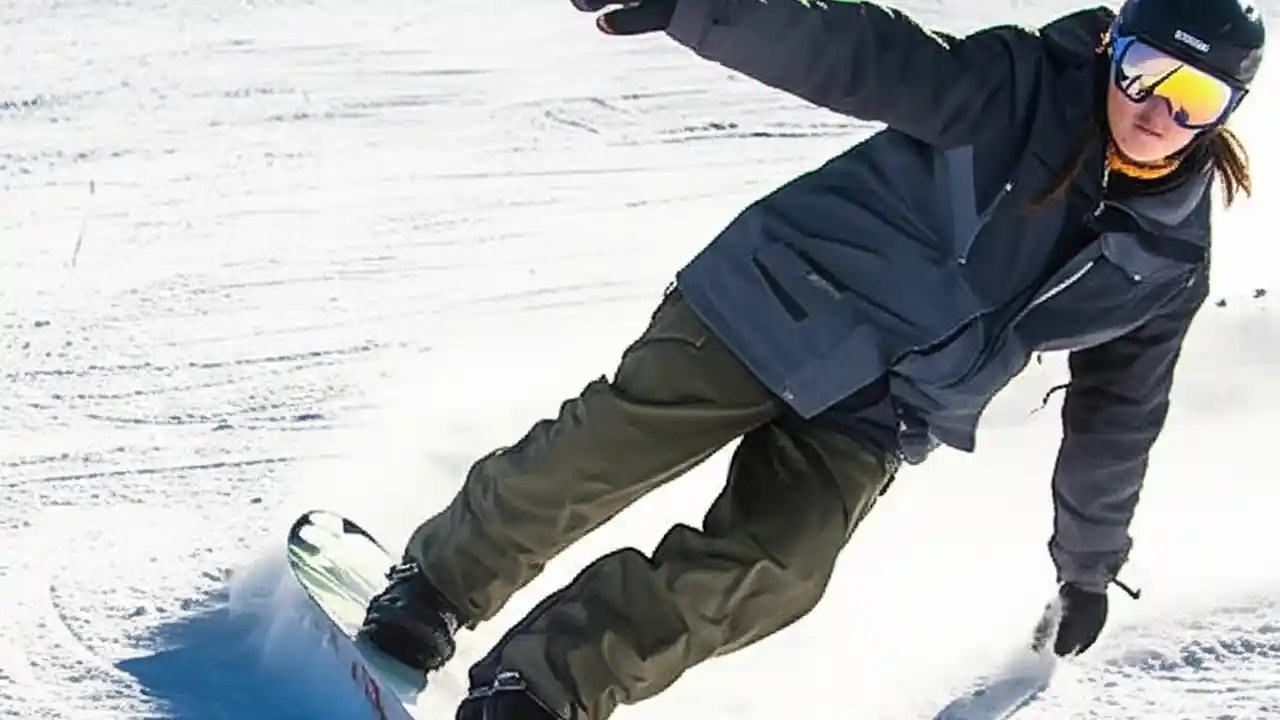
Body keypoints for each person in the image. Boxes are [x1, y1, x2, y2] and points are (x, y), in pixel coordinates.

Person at [359, 0, 1267, 717]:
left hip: (884, 405)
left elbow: (1118, 421)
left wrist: (1086, 567)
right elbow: (858, 52)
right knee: (606, 451)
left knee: (777, 569)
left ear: (1227, 111)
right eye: (1144, 72)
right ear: (1112, 49)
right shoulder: (1013, 87)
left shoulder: (1166, 263)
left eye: (1195, 97)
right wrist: (694, 7)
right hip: (779, 297)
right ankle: (437, 583)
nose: (1159, 111)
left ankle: (541, 684)